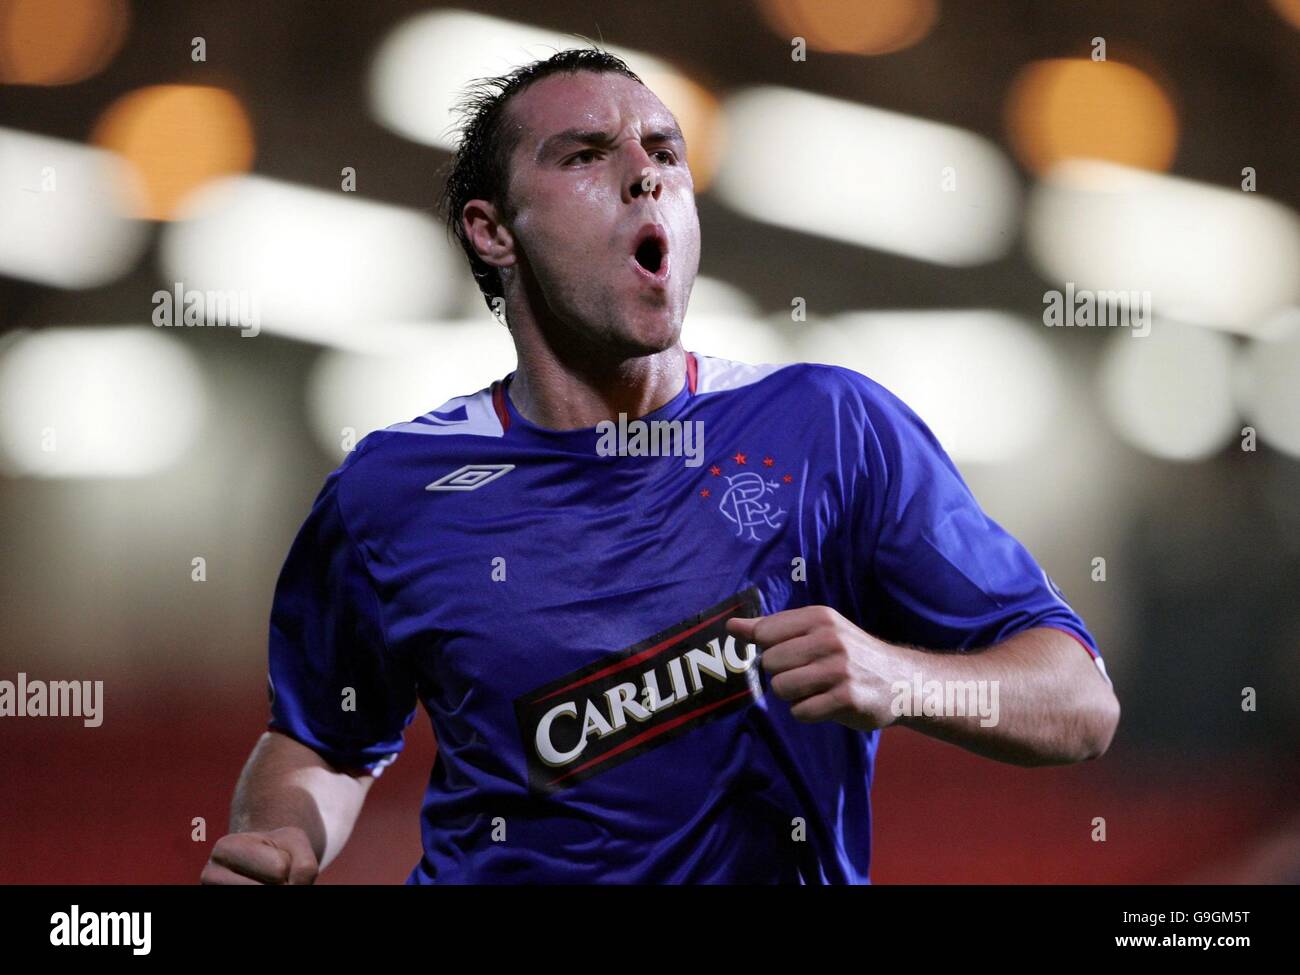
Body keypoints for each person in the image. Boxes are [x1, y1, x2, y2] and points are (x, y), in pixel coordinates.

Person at [201, 48, 1119, 886]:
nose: (644, 171)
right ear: (493, 231)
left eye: (665, 152)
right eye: (585, 155)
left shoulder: (830, 427)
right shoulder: (392, 490)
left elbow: (1079, 701)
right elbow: (322, 740)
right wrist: (284, 834)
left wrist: (900, 676)